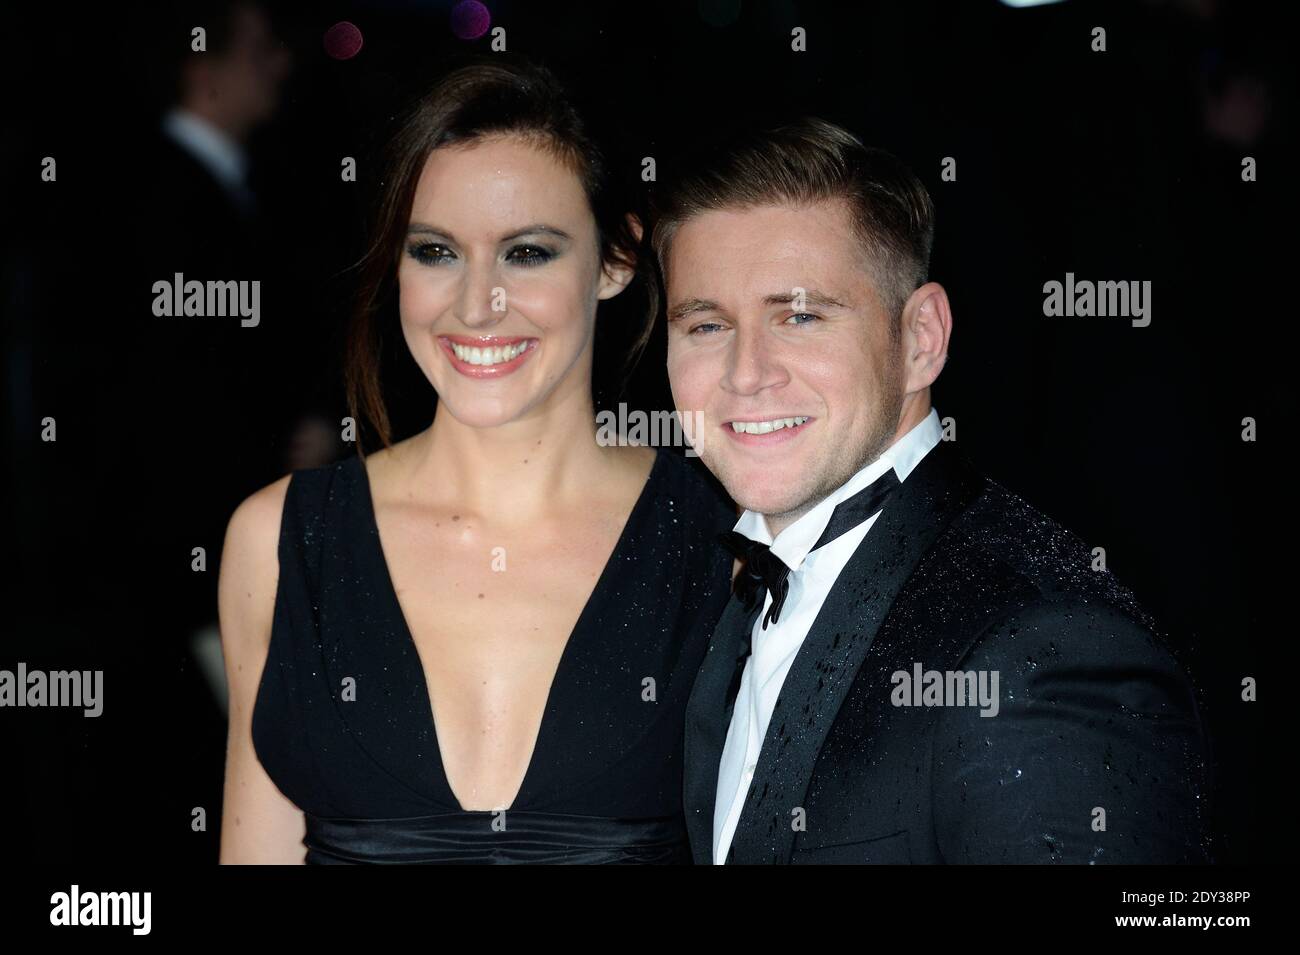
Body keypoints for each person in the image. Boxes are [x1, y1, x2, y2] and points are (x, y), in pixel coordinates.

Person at [217, 58, 734, 863]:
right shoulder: (281, 539)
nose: (474, 304)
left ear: (617, 259)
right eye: (435, 251)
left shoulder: (725, 543)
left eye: (526, 253)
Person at [656, 118, 1211, 864]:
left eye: (801, 316)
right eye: (706, 325)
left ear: (921, 338)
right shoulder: (738, 586)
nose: (746, 373)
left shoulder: (1043, 651)